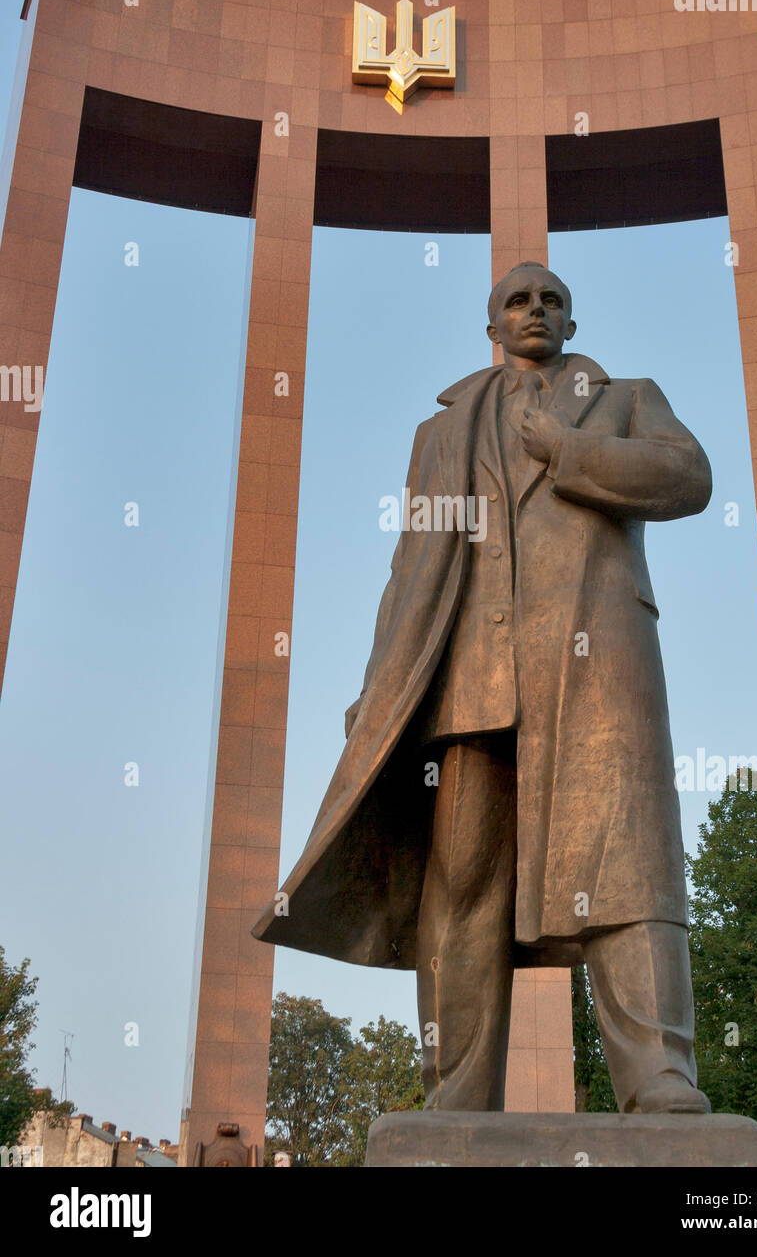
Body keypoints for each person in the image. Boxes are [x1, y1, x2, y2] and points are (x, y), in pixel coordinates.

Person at [253, 261, 713, 1114]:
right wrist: (379, 679)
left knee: (628, 860)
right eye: (518, 300)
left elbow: (688, 477)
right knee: (461, 877)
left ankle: (660, 1074)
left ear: (571, 325)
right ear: (491, 325)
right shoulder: (443, 433)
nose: (535, 311)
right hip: (472, 667)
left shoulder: (626, 398)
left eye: (553, 301)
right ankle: (456, 1092)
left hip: (599, 657)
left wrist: (568, 452)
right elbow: (411, 563)